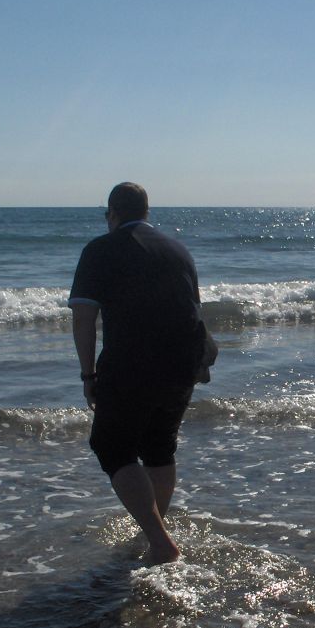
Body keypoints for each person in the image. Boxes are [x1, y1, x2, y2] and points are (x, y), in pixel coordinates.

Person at [68, 182, 204, 564]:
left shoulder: (100, 249)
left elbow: (84, 316)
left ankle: (160, 542)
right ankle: (155, 532)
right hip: (183, 360)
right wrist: (199, 364)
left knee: (111, 446)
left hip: (134, 360)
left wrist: (88, 375)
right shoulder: (177, 249)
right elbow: (193, 308)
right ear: (146, 212)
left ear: (112, 213)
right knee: (159, 447)